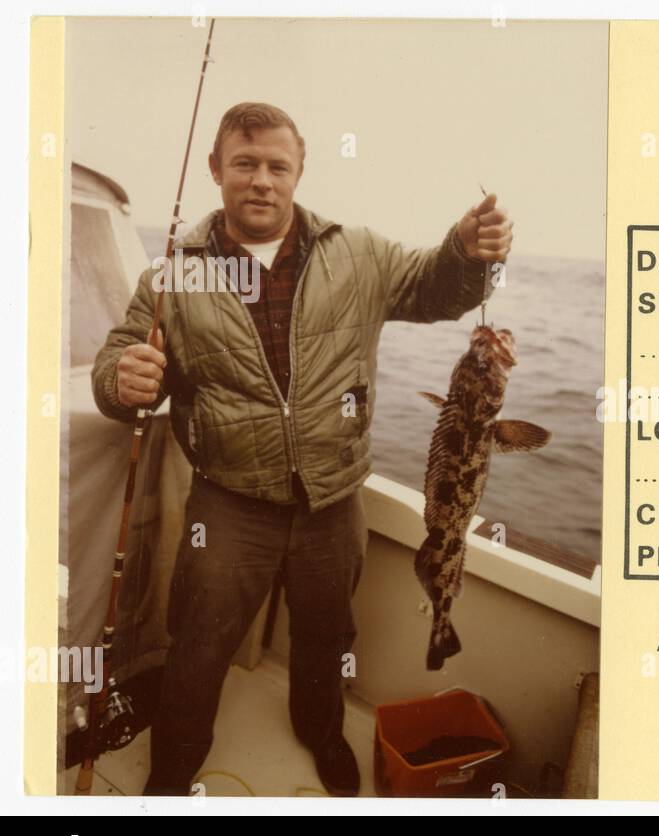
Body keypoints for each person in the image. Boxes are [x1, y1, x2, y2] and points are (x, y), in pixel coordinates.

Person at [90, 101, 513, 796]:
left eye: (276, 166)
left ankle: (321, 731)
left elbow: (437, 285)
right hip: (227, 502)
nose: (261, 180)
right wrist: (121, 379)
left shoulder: (358, 253)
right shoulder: (174, 274)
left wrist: (466, 251)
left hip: (333, 500)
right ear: (216, 170)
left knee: (327, 639)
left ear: (299, 171)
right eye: (245, 163)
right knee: (197, 642)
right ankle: (175, 759)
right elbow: (119, 360)